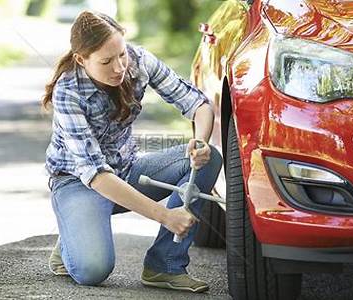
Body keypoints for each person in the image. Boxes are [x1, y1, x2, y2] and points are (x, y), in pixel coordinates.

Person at [42, 11, 221, 293]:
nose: (119, 67)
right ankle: (72, 235)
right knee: (92, 270)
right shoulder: (67, 91)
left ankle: (165, 265)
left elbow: (198, 104)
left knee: (210, 157)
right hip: (79, 183)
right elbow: (97, 176)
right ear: (81, 60)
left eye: (121, 54)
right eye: (106, 61)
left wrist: (199, 142)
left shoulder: (139, 60)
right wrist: (166, 216)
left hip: (127, 171)